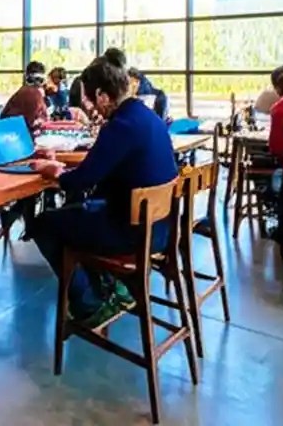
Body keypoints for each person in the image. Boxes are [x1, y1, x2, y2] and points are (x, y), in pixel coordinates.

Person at [29, 57, 180, 327]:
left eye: (87, 98)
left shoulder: (120, 126)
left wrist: (56, 172)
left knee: (43, 224)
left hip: (132, 235)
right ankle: (115, 286)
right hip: (160, 230)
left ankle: (90, 305)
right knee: (80, 213)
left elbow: (81, 181)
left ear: (101, 95)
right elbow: (102, 172)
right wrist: (65, 167)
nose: (86, 104)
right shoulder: (148, 117)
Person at [1, 61, 50, 132]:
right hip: (16, 135)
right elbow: (30, 123)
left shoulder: (23, 91)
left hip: (10, 132)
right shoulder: (32, 94)